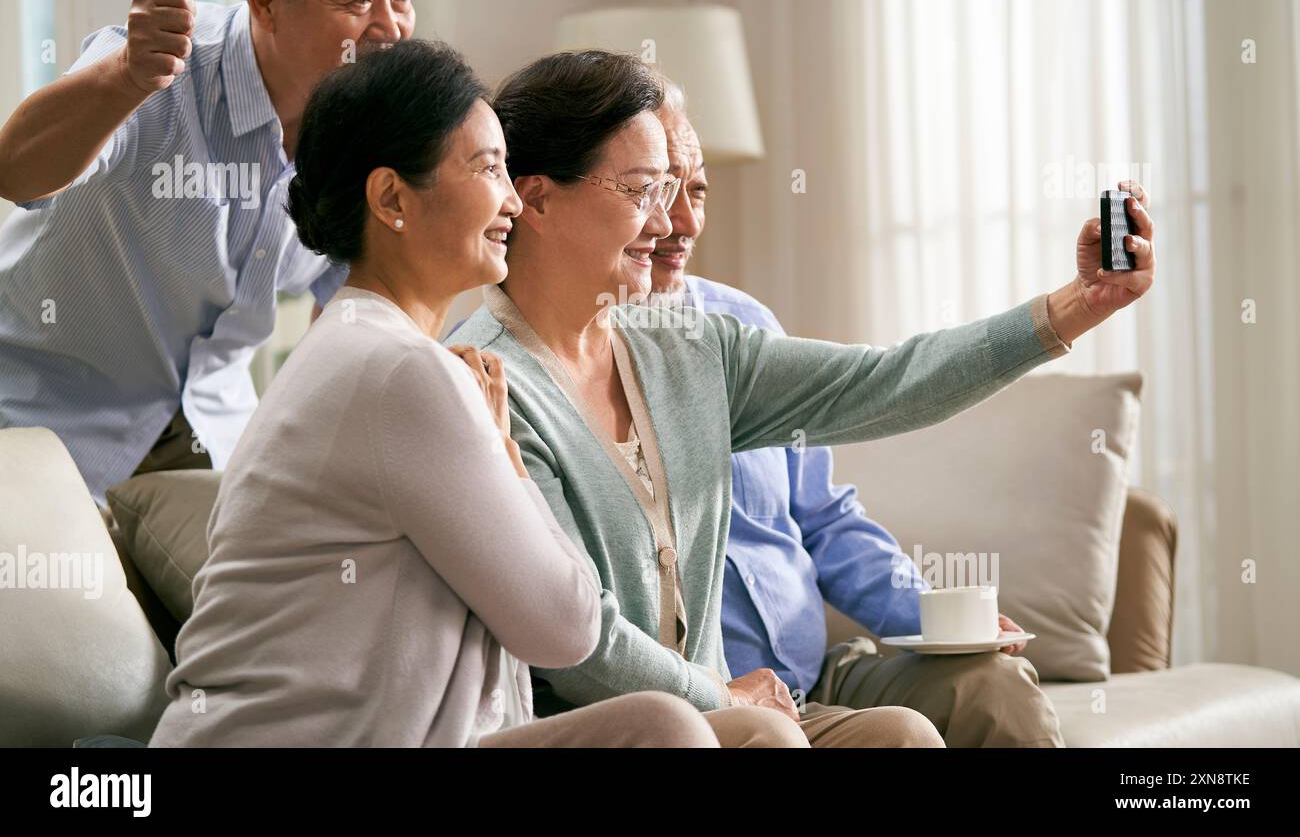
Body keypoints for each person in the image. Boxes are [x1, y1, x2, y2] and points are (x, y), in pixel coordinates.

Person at [149, 40, 771, 748]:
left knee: (695, 728)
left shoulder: (374, 348)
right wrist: (506, 455)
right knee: (670, 729)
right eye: (486, 168)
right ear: (391, 198)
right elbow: (563, 629)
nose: (513, 199)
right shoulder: (396, 370)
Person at [646, 82, 1159, 746]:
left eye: (699, 190)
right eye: (657, 189)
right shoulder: (558, 368)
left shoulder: (742, 325)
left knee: (997, 690)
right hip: (709, 701)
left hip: (814, 677)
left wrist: (937, 618)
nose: (683, 221)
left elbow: (827, 516)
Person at [0, 0, 414, 506]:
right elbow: (13, 170)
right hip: (41, 420)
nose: (390, 28)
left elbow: (356, 306)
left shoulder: (370, 133)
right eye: (360, 0)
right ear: (267, 0)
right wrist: (126, 78)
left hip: (214, 438)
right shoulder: (158, 65)